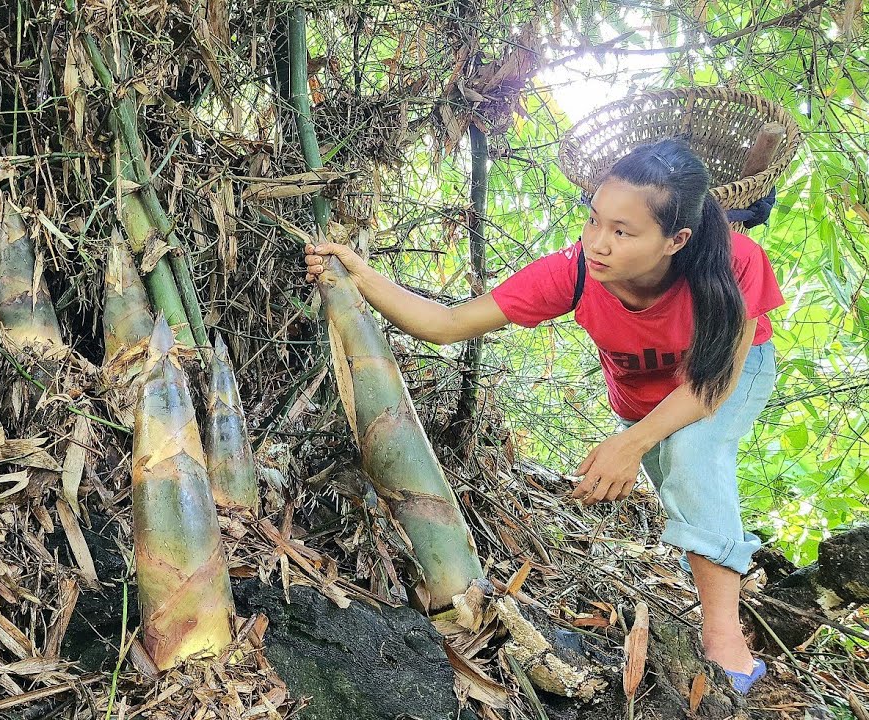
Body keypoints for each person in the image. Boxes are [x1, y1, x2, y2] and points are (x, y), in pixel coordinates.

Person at [304, 138, 783, 695]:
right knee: (682, 477)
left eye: (622, 232)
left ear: (676, 241)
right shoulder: (576, 272)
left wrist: (630, 446)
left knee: (695, 454)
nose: (597, 242)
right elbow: (446, 324)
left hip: (729, 374)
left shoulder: (734, 262)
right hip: (641, 398)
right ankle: (714, 565)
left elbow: (709, 386)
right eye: (594, 219)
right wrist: (360, 275)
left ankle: (724, 643)